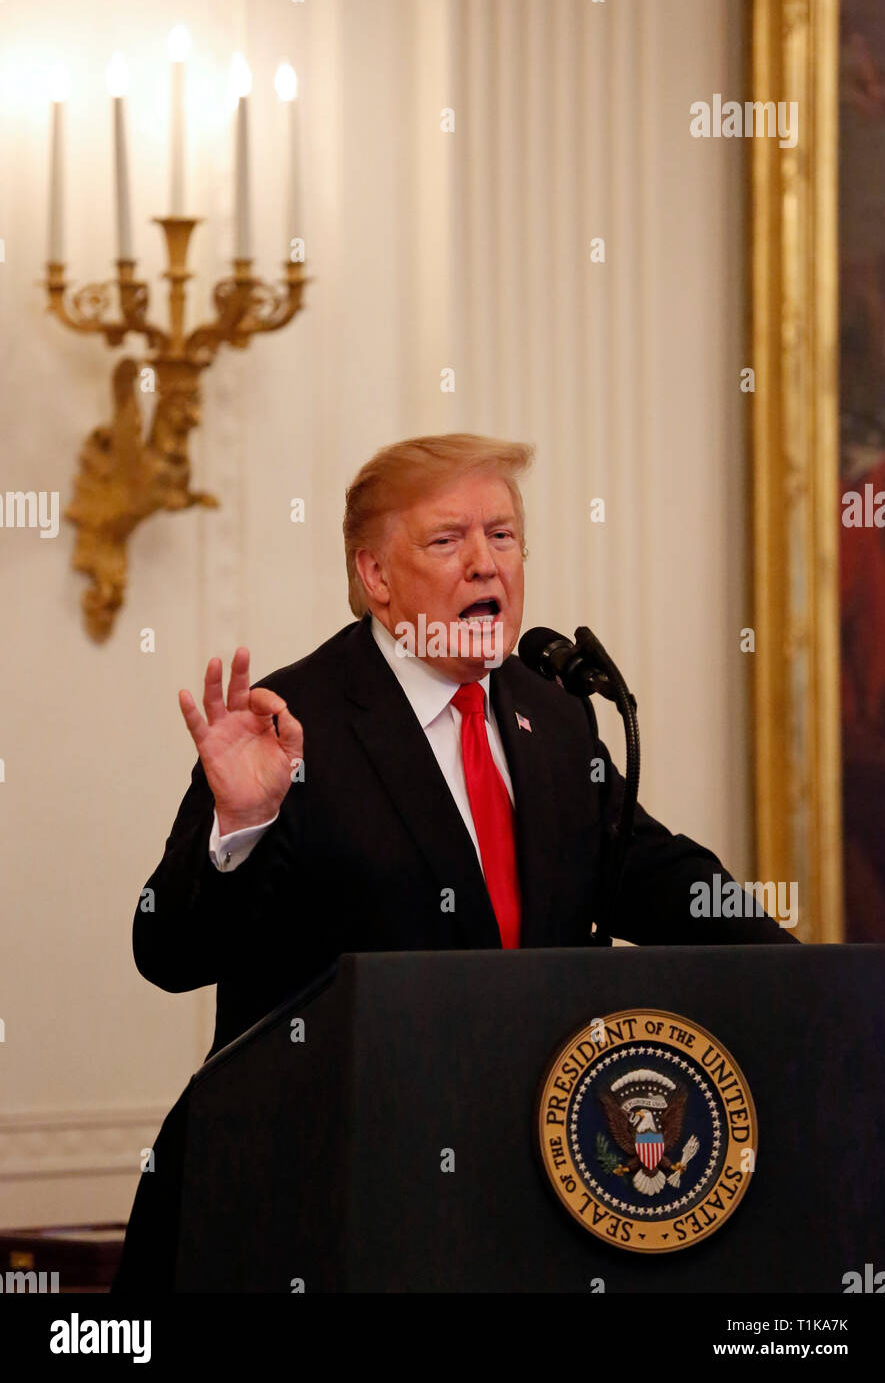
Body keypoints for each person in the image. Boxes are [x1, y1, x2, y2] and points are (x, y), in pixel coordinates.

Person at [112, 432, 796, 1291]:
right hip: (307, 1200)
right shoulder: (291, 720)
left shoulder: (553, 718)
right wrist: (242, 822)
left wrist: (809, 984)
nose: (485, 564)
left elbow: (659, 878)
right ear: (376, 576)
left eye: (503, 536)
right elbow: (166, 952)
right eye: (448, 540)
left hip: (504, 1197)